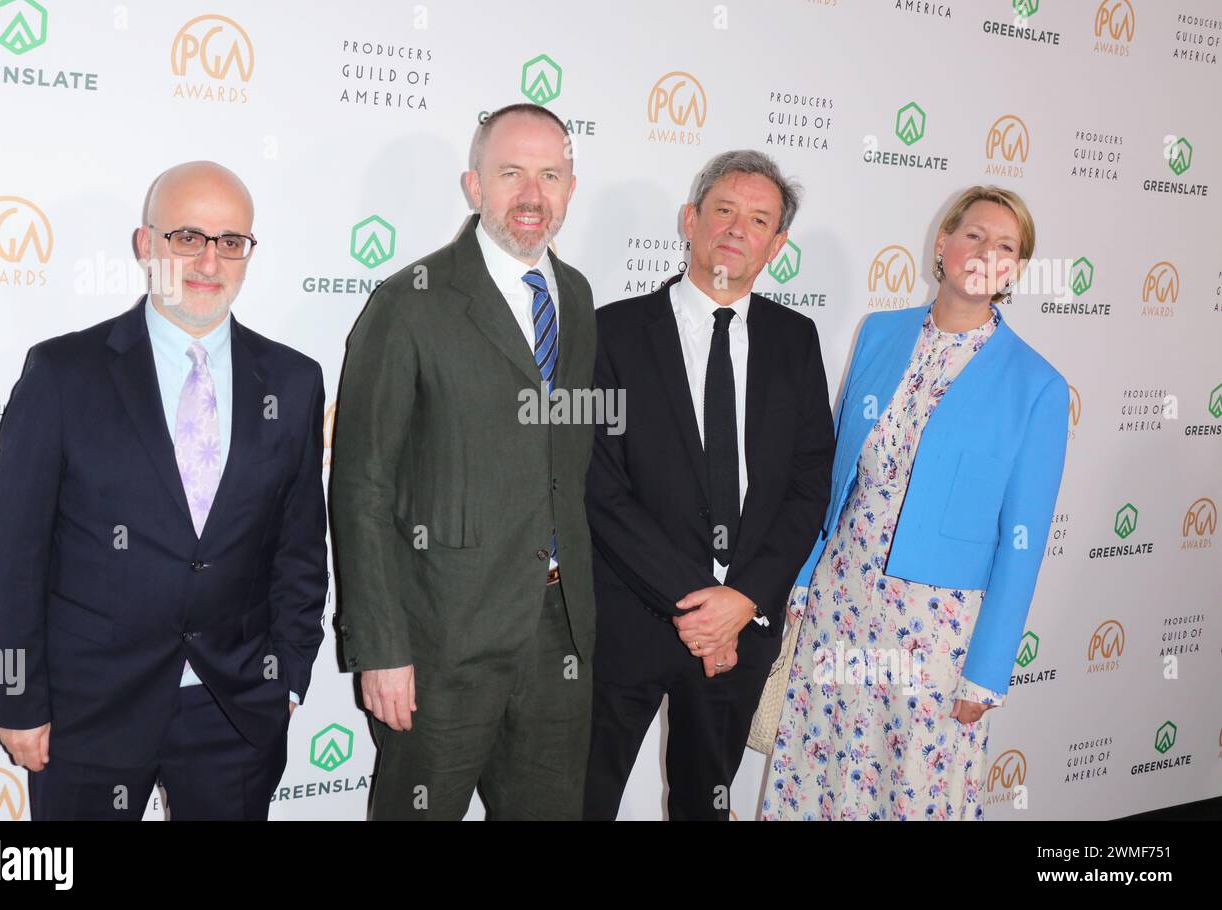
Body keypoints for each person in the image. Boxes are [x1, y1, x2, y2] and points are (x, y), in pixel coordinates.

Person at [0, 161, 328, 820]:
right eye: (187, 236)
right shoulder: (63, 374)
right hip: (86, 711)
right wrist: (14, 698)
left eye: (231, 241)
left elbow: (300, 549)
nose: (209, 259)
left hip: (234, 710)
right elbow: (14, 555)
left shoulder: (293, 380)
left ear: (248, 254)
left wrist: (288, 676)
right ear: (146, 246)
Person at [761, 185, 1068, 821]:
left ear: (1016, 269)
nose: (985, 252)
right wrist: (800, 582)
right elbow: (832, 473)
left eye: (1005, 246)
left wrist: (986, 670)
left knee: (912, 791)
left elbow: (1024, 543)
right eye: (975, 234)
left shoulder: (1036, 385)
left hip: (936, 629)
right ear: (943, 244)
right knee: (818, 775)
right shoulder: (880, 333)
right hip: (839, 599)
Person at [330, 103, 598, 820]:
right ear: (474, 186)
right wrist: (381, 647)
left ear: (570, 187)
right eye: (511, 173)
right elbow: (360, 486)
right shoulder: (409, 303)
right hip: (440, 639)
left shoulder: (576, 297)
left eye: (550, 174)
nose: (532, 195)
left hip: (557, 637)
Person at [582, 150, 834, 820]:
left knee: (706, 807)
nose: (736, 228)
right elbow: (599, 488)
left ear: (776, 246)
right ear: (690, 220)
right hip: (626, 622)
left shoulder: (795, 339)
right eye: (723, 210)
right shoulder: (611, 331)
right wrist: (698, 606)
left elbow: (810, 486)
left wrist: (742, 600)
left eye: (759, 219)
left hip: (743, 626)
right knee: (580, 800)